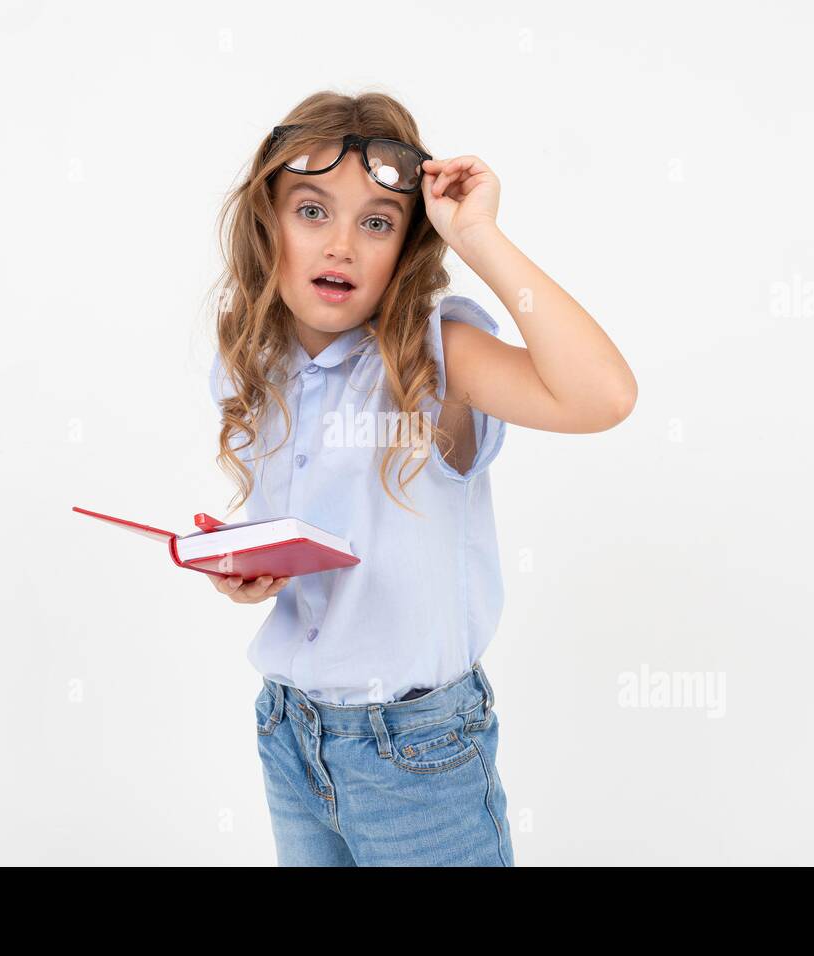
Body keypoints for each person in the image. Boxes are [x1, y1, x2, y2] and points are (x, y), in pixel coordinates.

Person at [205, 90, 637, 866]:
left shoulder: (434, 361)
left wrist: (479, 235)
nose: (341, 244)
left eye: (376, 221)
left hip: (417, 755)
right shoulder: (254, 364)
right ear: (266, 224)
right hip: (289, 734)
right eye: (311, 211)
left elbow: (603, 396)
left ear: (407, 246)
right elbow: (317, 531)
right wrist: (254, 567)